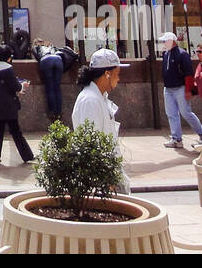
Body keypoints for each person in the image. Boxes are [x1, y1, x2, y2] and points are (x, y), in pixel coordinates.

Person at [71, 47, 131, 191]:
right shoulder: (90, 100)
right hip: (101, 181)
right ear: (107, 74)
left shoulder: (98, 97)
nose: (119, 78)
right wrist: (105, 180)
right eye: (118, 73)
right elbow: (91, 144)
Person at [0, 45, 34, 165]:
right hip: (9, 106)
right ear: (8, 57)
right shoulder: (8, 69)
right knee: (16, 132)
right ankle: (27, 155)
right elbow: (15, 86)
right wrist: (22, 85)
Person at [158, 31, 202, 148]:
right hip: (168, 88)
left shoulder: (182, 54)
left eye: (165, 41)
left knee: (186, 112)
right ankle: (176, 138)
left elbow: (188, 73)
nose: (164, 43)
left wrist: (188, 89)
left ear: (171, 41)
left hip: (180, 87)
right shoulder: (166, 54)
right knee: (171, 113)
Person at [34, 40, 66, 123]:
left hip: (46, 61)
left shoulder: (36, 47)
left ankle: (53, 113)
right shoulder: (52, 46)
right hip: (58, 60)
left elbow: (37, 57)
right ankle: (59, 113)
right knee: (57, 88)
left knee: (50, 88)